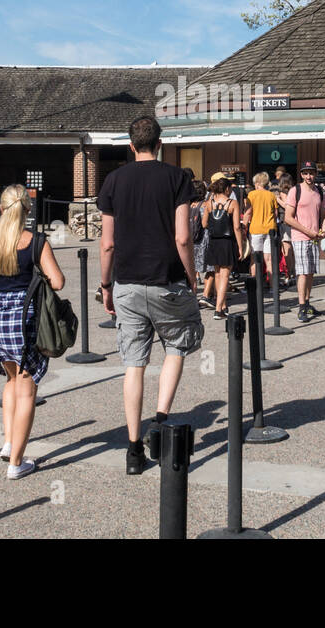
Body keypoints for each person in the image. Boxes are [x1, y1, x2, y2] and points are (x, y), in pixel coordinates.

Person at [98, 115, 201, 477]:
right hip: (167, 279)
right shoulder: (177, 178)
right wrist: (192, 276)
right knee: (175, 347)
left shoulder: (113, 181)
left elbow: (108, 243)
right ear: (161, 143)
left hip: (126, 281)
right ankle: (159, 419)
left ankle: (132, 448)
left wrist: (106, 286)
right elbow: (183, 238)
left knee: (134, 362)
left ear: (130, 145)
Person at [0, 183, 65, 480]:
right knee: (27, 389)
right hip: (25, 319)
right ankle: (17, 462)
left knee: (11, 378)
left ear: (0, 209)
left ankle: (9, 442)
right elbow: (58, 281)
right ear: (27, 210)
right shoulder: (36, 242)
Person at [285, 162, 325, 322]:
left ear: (315, 174)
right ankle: (301, 306)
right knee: (302, 272)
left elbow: (322, 215)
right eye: (306, 173)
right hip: (300, 237)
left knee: (311, 271)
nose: (309, 176)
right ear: (301, 175)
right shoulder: (295, 190)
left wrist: (324, 229)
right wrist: (307, 231)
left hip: (315, 238)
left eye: (311, 173)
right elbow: (288, 217)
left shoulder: (319, 192)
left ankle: (308, 303)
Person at [202, 176, 243, 320]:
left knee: (218, 274)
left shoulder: (209, 203)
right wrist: (240, 246)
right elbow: (237, 227)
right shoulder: (233, 203)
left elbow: (204, 223)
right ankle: (218, 309)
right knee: (225, 275)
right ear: (227, 189)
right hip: (227, 242)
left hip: (214, 242)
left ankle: (223, 306)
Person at [244, 171, 277, 284]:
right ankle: (273, 287)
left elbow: (248, 213)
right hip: (270, 229)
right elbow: (275, 213)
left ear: (257, 183)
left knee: (255, 259)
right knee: (269, 259)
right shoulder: (272, 195)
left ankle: (256, 286)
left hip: (255, 229)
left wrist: (244, 226)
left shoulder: (251, 195)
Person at [189, 181, 213, 309]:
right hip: (204, 241)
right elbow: (205, 224)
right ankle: (205, 296)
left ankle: (192, 296)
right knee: (211, 269)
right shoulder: (206, 205)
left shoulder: (187, 206)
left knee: (191, 270)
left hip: (190, 242)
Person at [273, 174, 294, 285]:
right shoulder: (295, 191)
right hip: (294, 222)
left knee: (287, 249)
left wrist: (277, 199)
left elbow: (287, 206)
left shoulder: (283, 192)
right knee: (292, 250)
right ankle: (293, 274)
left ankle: (289, 275)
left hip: (285, 222)